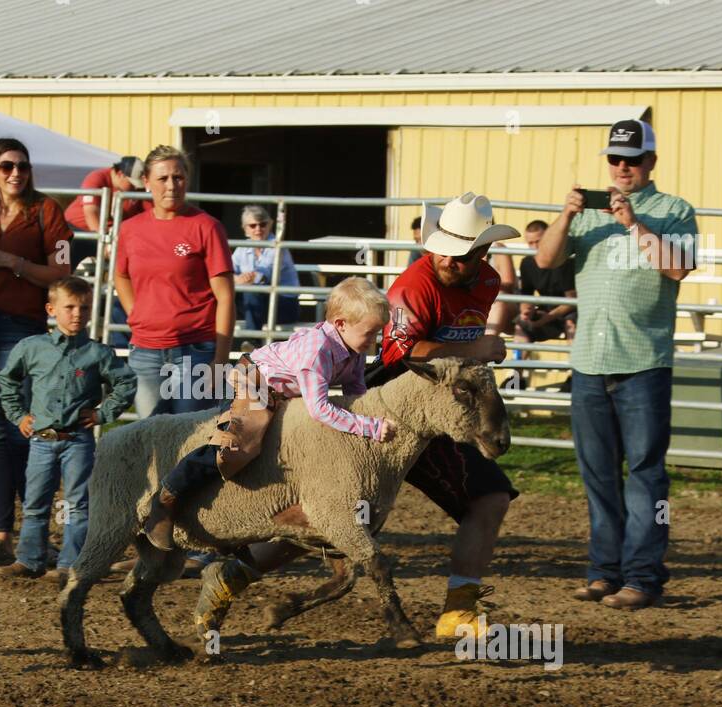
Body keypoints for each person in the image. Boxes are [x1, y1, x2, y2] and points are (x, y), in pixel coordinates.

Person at [535, 118, 698, 610]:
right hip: (589, 361)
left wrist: (634, 225)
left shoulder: (674, 210)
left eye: (633, 159)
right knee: (598, 475)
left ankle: (644, 575)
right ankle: (605, 571)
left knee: (647, 474)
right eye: (615, 159)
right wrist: (565, 216)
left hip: (644, 361)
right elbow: (545, 261)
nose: (623, 167)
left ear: (651, 162)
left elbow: (678, 266)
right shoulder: (586, 214)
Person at [141, 277, 394, 552]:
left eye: (377, 334)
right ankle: (167, 496)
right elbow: (319, 408)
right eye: (370, 334)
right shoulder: (318, 351)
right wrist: (370, 427)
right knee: (239, 445)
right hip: (255, 380)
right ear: (341, 324)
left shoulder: (353, 349)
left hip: (284, 392)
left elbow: (354, 391)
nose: (374, 341)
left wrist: (367, 416)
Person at [368, 192, 520, 637]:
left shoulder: (487, 283)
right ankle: (237, 572)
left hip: (446, 417)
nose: (448, 261)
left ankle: (458, 612)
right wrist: (475, 350)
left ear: (482, 253)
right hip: (396, 410)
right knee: (342, 515)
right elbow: (400, 355)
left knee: (491, 496)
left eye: (460, 255)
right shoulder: (412, 287)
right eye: (444, 252)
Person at [0, 138, 73, 563]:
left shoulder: (46, 212)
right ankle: (4, 532)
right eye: (6, 166)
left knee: (15, 427)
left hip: (20, 328)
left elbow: (62, 273)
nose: (15, 173)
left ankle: (35, 531)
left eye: (22, 166)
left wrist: (8, 261)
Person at [0, 276, 137, 579]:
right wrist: (18, 415)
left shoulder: (97, 353)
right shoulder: (32, 348)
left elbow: (126, 382)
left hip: (78, 440)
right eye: (69, 307)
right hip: (41, 440)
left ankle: (71, 563)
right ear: (51, 309)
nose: (77, 314)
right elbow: (7, 379)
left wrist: (102, 414)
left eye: (84, 308)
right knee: (35, 501)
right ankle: (29, 559)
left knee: (78, 503)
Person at [115, 145, 235, 418]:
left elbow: (226, 297)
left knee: (190, 438)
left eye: (178, 177)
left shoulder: (206, 226)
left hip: (196, 352)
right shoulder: (130, 229)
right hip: (145, 351)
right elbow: (120, 275)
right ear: (146, 182)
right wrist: (136, 313)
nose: (171, 185)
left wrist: (220, 361)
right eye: (162, 178)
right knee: (151, 437)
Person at [64, 156, 146, 349]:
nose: (134, 188)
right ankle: (56, 316)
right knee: (65, 279)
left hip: (112, 240)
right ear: (119, 174)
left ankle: (120, 340)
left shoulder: (137, 191)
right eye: (131, 183)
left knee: (119, 284)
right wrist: (103, 242)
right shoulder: (97, 178)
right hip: (79, 233)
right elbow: (90, 213)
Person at [232, 204, 300, 335]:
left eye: (262, 224)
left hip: (285, 305)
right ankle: (205, 342)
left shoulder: (278, 246)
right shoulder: (242, 248)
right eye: (253, 226)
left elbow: (264, 276)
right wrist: (238, 279)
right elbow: (228, 271)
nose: (258, 229)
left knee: (251, 292)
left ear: (269, 225)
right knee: (222, 293)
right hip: (257, 304)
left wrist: (244, 280)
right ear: (245, 229)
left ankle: (253, 343)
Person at [515, 219, 577, 344]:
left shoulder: (564, 259)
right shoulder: (527, 263)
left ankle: (576, 363)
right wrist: (526, 311)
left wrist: (547, 318)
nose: (535, 247)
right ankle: (519, 363)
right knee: (521, 324)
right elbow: (526, 296)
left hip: (571, 310)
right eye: (530, 243)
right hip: (547, 311)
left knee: (571, 323)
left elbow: (572, 300)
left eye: (538, 241)